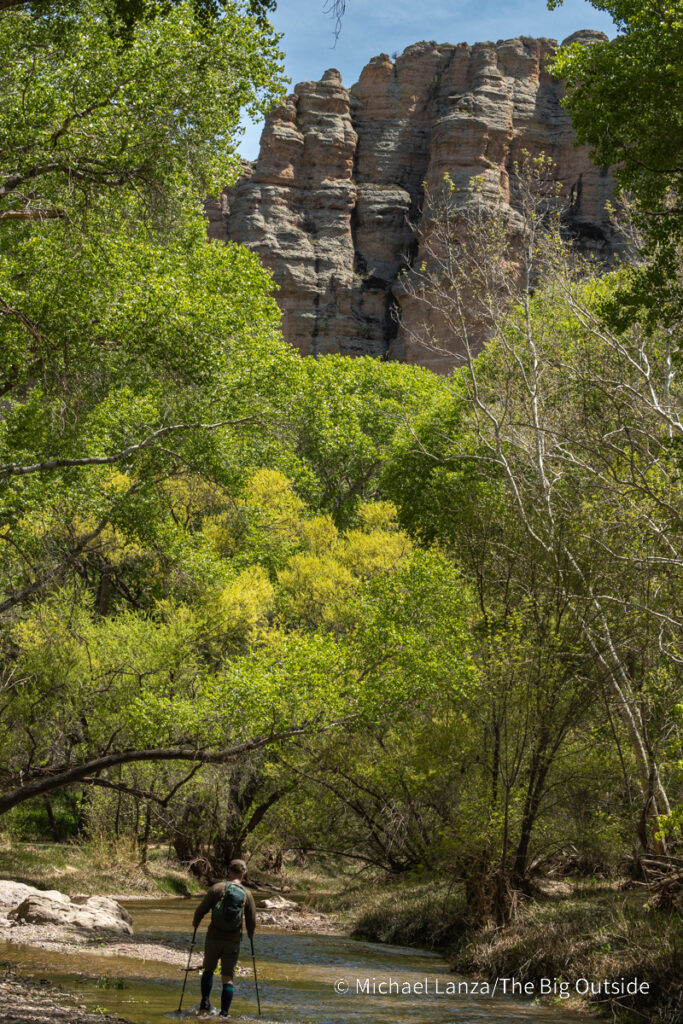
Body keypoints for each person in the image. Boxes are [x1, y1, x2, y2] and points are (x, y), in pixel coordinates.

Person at [192, 858, 257, 1017]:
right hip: (232, 941)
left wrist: (195, 924)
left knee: (208, 971)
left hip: (214, 937)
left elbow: (200, 911)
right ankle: (224, 1014)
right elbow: (252, 921)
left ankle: (205, 1003)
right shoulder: (247, 894)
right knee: (227, 978)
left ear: (228, 871)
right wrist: (250, 935)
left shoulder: (217, 888)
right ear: (244, 873)